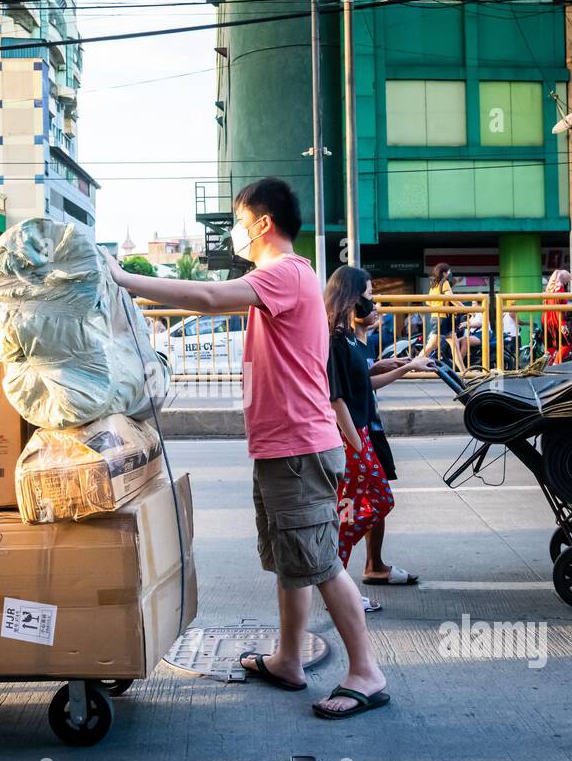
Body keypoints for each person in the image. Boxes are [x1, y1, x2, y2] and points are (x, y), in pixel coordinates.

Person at [112, 177, 390, 719]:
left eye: (241, 223)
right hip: (283, 446)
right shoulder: (289, 276)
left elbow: (212, 297)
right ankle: (288, 659)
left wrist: (126, 278)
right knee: (293, 560)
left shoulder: (285, 272)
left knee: (323, 562)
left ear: (262, 223)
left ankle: (366, 672)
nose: (237, 234)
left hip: (298, 447)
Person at [327, 270, 429, 595]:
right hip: (351, 438)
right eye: (368, 294)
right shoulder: (334, 340)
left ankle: (332, 561)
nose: (373, 302)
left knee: (380, 501)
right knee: (350, 512)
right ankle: (335, 579)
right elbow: (336, 397)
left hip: (361, 437)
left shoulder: (348, 339)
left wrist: (405, 368)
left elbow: (364, 384)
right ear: (352, 297)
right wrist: (355, 443)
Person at [418, 262, 462, 363]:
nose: (449, 273)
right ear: (444, 273)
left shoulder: (433, 285)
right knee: (430, 346)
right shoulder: (444, 283)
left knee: (455, 348)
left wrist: (437, 306)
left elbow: (428, 302)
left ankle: (464, 373)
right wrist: (464, 308)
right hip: (441, 319)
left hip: (438, 318)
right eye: (448, 271)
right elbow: (452, 298)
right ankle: (412, 366)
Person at [543, 269, 572, 363]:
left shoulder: (549, 290)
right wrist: (563, 323)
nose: (567, 283)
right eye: (567, 280)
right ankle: (556, 365)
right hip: (557, 320)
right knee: (567, 344)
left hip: (547, 321)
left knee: (551, 347)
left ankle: (546, 367)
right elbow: (559, 308)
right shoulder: (560, 289)